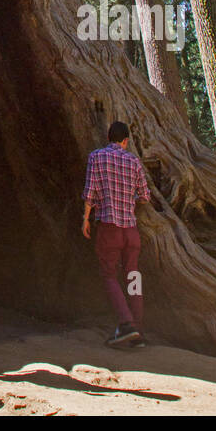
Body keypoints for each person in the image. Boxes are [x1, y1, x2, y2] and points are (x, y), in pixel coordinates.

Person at [82, 120, 151, 348]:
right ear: (125, 141)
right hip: (130, 229)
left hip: (109, 226)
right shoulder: (133, 160)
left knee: (109, 275)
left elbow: (90, 192)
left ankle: (126, 324)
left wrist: (85, 219)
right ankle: (139, 329)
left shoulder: (97, 157)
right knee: (133, 275)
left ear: (109, 137)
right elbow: (145, 195)